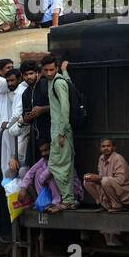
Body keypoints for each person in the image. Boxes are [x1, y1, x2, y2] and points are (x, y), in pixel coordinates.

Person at [44, 56, 77, 210]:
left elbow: (65, 107)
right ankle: (69, 199)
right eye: (46, 70)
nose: (49, 73)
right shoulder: (57, 80)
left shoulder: (57, 83)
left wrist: (62, 132)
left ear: (55, 68)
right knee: (63, 164)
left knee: (58, 164)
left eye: (52, 69)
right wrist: (64, 72)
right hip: (58, 129)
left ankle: (68, 199)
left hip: (60, 130)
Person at [19, 141, 83, 212]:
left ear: (52, 148)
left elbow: (45, 175)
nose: (43, 154)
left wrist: (42, 180)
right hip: (59, 193)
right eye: (42, 151)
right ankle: (44, 201)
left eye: (46, 150)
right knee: (38, 172)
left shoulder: (59, 158)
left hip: (72, 193)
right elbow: (30, 172)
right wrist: (23, 188)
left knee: (49, 176)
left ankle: (56, 202)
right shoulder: (44, 160)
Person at [83, 139, 129, 212]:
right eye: (103, 146)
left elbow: (120, 181)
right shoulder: (101, 158)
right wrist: (91, 177)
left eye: (108, 146)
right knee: (87, 182)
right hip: (108, 186)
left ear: (114, 147)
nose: (106, 148)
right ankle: (105, 205)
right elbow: (101, 178)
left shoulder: (118, 158)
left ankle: (117, 206)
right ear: (100, 148)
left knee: (105, 181)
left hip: (125, 191)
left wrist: (99, 178)